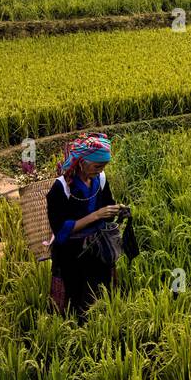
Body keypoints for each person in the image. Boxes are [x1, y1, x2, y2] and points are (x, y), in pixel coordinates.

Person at [46, 132, 126, 318]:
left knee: (102, 293)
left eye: (104, 166)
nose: (100, 169)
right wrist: (95, 215)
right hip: (72, 253)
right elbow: (60, 230)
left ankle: (102, 325)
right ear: (81, 162)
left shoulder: (101, 179)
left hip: (97, 247)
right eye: (97, 165)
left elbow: (107, 207)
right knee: (78, 297)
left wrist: (115, 210)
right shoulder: (61, 188)